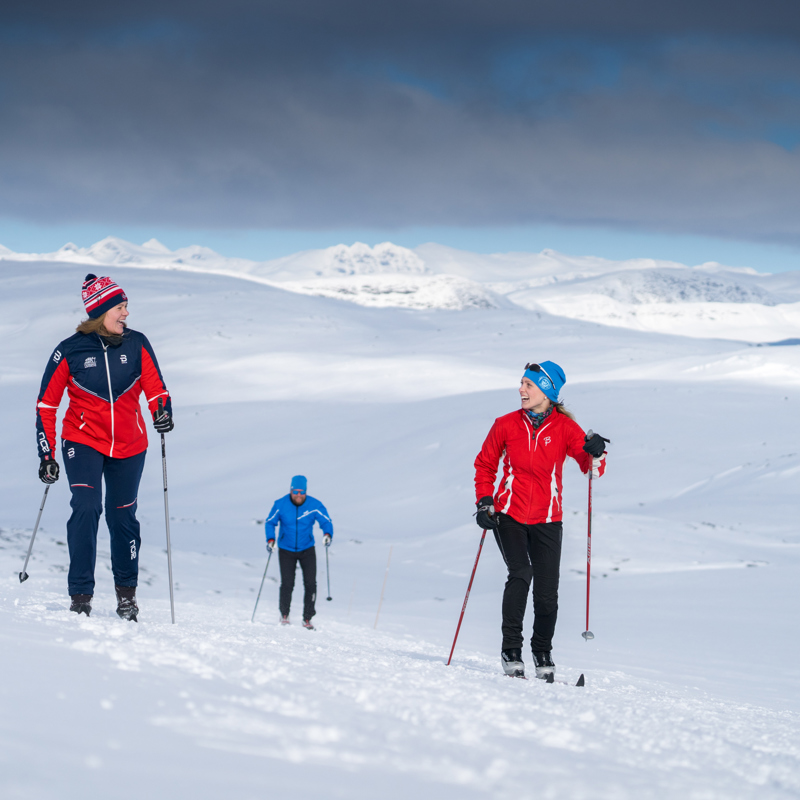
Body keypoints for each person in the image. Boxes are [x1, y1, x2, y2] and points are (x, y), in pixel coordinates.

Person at [35, 274, 174, 620]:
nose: (127, 313)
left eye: (126, 306)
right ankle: (80, 594)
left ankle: (126, 596)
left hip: (130, 443)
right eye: (121, 307)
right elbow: (47, 405)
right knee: (86, 506)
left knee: (122, 516)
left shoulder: (138, 343)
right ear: (101, 310)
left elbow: (156, 387)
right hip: (82, 441)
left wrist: (162, 411)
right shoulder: (69, 350)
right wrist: (47, 453)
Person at [473, 361, 608, 680]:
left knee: (548, 592)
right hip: (509, 514)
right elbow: (485, 465)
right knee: (521, 572)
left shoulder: (565, 429)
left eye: (528, 385)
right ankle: (511, 650)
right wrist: (484, 501)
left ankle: (542, 651)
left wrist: (597, 453)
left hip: (548, 518)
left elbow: (591, 470)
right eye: (522, 383)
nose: (521, 389)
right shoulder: (505, 424)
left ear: (547, 392)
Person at [265, 475, 333, 629]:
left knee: (310, 584)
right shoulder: (280, 504)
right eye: (295, 491)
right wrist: (270, 539)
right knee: (287, 583)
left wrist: (327, 534)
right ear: (290, 490)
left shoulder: (314, 505)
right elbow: (270, 522)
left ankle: (307, 618)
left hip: (307, 549)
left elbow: (326, 521)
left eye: (302, 492)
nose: (299, 495)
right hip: (286, 549)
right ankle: (284, 614)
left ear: (306, 492)